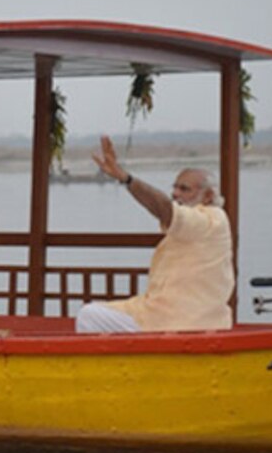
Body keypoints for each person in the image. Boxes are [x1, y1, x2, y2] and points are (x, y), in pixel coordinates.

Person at [75, 136, 234, 333]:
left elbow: (165, 209)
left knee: (89, 316)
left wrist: (126, 179)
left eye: (184, 189)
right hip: (163, 315)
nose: (175, 193)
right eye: (174, 187)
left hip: (181, 321)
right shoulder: (200, 222)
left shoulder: (211, 220)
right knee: (93, 313)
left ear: (208, 195)